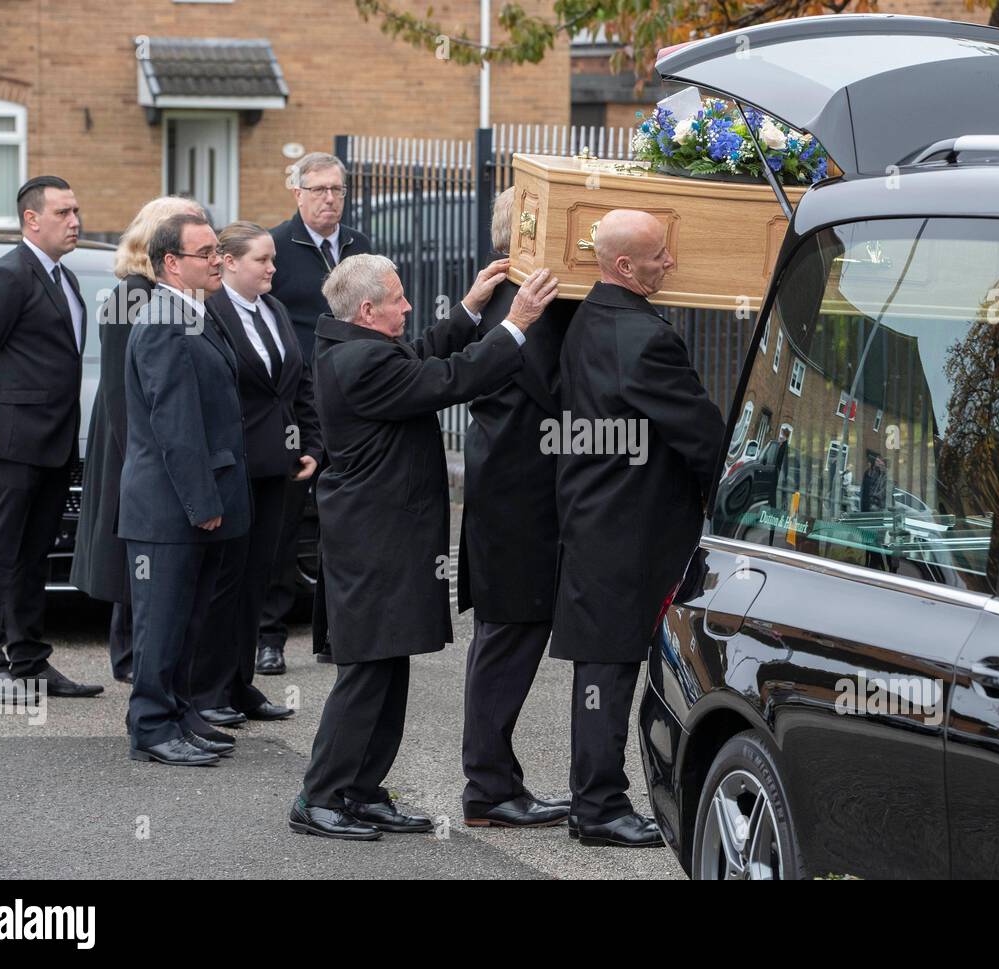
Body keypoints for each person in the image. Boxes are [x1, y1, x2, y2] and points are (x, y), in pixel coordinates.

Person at [289, 254, 558, 841]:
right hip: (373, 540)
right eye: (398, 300)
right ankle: (321, 796)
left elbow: (421, 352)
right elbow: (451, 378)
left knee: (388, 666)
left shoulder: (356, 345)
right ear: (367, 310)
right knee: (364, 674)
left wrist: (471, 307)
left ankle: (361, 790)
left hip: (382, 536)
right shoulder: (361, 360)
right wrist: (517, 322)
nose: (409, 308)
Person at [553, 209, 724, 848]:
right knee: (609, 666)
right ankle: (597, 807)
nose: (671, 263)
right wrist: (732, 489)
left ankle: (593, 800)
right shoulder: (644, 337)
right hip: (629, 528)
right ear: (625, 266)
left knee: (604, 663)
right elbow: (700, 435)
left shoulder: (586, 319)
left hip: (593, 512)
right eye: (659, 255)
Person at [0, 175, 102, 700]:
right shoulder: (8, 275)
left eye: (77, 210)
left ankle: (30, 662)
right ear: (31, 220)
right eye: (63, 212)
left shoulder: (66, 279)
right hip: (8, 438)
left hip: (56, 440)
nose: (75, 220)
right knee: (0, 549)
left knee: (35, 552)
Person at [457, 187, 575, 828]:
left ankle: (493, 783)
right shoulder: (524, 308)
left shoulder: (514, 299)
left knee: (502, 645)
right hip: (519, 510)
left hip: (508, 503)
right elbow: (562, 398)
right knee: (506, 647)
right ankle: (489, 790)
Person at [119, 212, 251, 766]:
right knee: (163, 620)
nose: (218, 260)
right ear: (171, 263)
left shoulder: (196, 312)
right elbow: (175, 427)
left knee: (191, 619)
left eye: (219, 250)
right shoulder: (161, 322)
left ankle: (179, 711)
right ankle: (150, 724)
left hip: (195, 500)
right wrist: (202, 504)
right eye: (207, 253)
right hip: (168, 506)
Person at [190, 221, 321, 726]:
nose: (273, 268)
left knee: (259, 579)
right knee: (224, 580)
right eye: (263, 260)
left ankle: (240, 684)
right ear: (227, 262)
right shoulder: (208, 314)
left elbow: (299, 384)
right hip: (234, 468)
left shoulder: (275, 309)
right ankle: (206, 690)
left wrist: (311, 444)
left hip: (278, 471)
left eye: (272, 259)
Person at [73, 195, 204, 685]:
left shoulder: (169, 295)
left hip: (149, 445)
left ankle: (144, 658)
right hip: (134, 443)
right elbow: (121, 390)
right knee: (138, 554)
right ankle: (132, 658)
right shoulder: (133, 295)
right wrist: (145, 466)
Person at [260, 152, 373, 674]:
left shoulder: (357, 247)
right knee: (283, 528)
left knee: (345, 526)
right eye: (319, 190)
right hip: (295, 407)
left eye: (338, 190)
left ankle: (335, 633)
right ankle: (268, 636)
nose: (330, 199)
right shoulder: (277, 250)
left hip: (349, 403)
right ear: (298, 194)